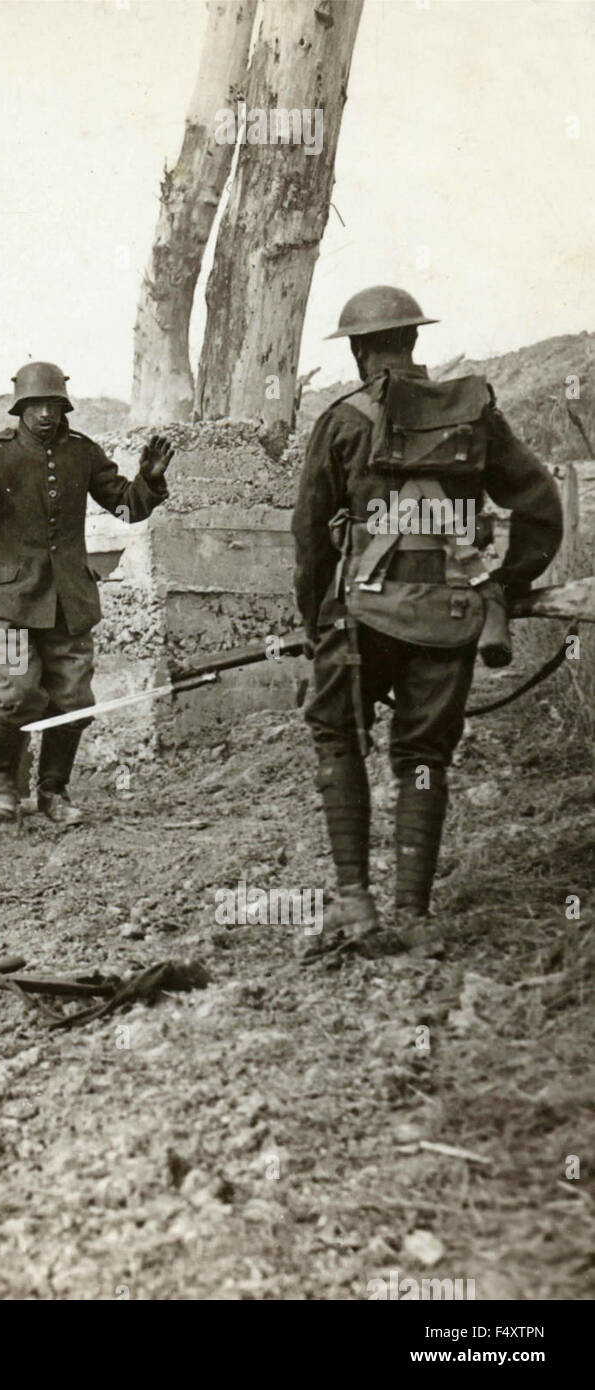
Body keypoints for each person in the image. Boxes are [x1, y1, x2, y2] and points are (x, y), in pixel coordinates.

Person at [292, 287, 563, 957]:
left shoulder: (342, 420)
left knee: (335, 735)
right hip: (447, 618)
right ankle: (412, 915)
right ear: (413, 344)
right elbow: (541, 507)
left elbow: (308, 536)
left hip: (358, 620)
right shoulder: (472, 414)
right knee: (421, 759)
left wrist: (312, 618)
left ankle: (353, 901)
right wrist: (502, 583)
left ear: (358, 351)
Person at [0, 360, 174, 824]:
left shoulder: (83, 452)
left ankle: (54, 792)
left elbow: (126, 507)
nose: (46, 415)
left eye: (54, 406)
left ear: (65, 408)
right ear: (20, 408)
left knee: (74, 701)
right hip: (8, 602)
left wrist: (149, 480)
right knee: (18, 693)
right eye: (36, 406)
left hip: (68, 600)